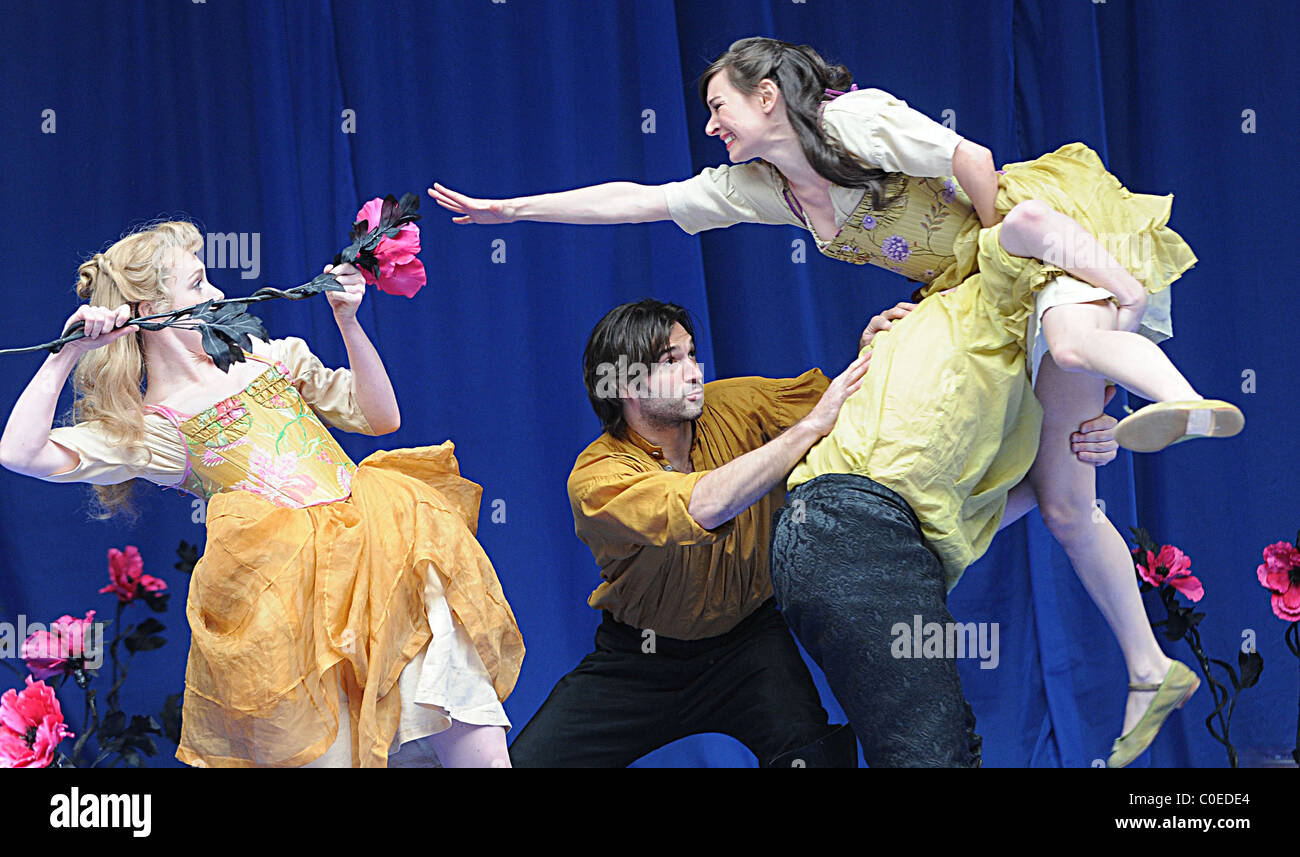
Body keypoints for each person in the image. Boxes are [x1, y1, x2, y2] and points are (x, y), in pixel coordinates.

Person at [425, 37, 1230, 765]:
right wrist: (515, 211)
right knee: (1063, 499)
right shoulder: (766, 189)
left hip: (1015, 246)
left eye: (718, 106)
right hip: (966, 298)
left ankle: (1164, 389)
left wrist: (999, 275)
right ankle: (1148, 662)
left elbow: (973, 158)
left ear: (768, 95)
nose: (710, 125)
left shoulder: (856, 122)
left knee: (1072, 354)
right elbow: (646, 198)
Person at [508, 298, 1119, 767]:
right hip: (638, 660)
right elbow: (707, 505)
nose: (694, 370)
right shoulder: (597, 476)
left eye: (692, 353)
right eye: (672, 362)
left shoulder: (738, 402)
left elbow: (856, 413)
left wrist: (875, 349)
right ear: (624, 384)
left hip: (749, 644)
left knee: (812, 756)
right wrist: (808, 427)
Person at [0, 221, 524, 768]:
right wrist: (66, 354)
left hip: (385, 563)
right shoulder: (157, 432)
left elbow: (380, 416)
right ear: (152, 309)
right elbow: (20, 453)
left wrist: (348, 322)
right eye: (198, 283)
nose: (218, 294)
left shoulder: (266, 357)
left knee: (478, 745)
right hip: (297, 618)